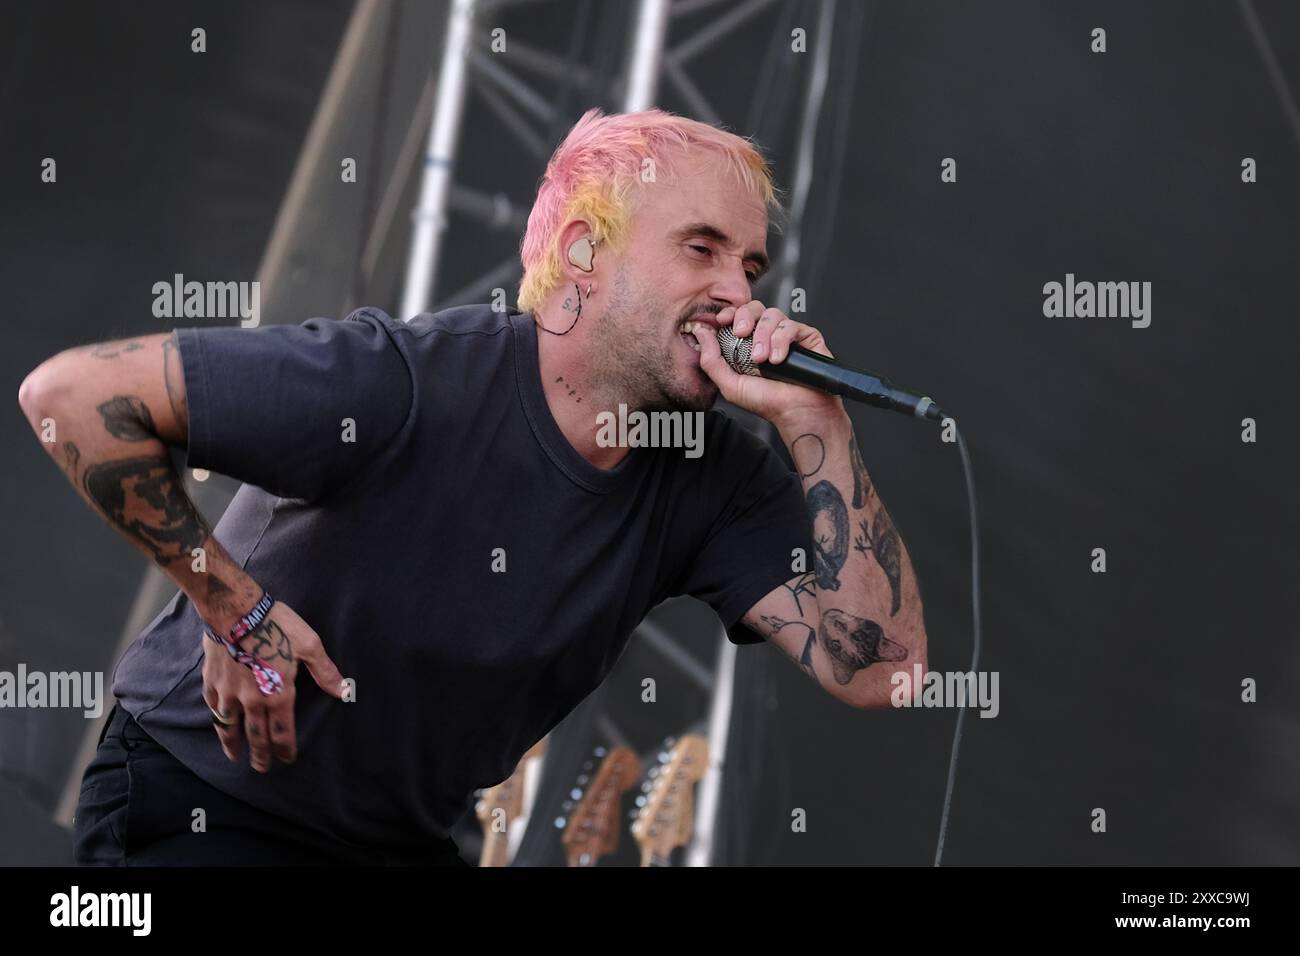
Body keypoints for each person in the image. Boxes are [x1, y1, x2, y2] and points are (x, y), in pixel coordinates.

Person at [17, 108, 929, 866]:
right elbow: (74, 398)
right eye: (703, 250)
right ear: (583, 253)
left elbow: (887, 674)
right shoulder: (405, 379)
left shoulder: (713, 472)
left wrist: (820, 424)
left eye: (753, 267)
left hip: (399, 841)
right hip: (200, 805)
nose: (740, 290)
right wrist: (235, 610)